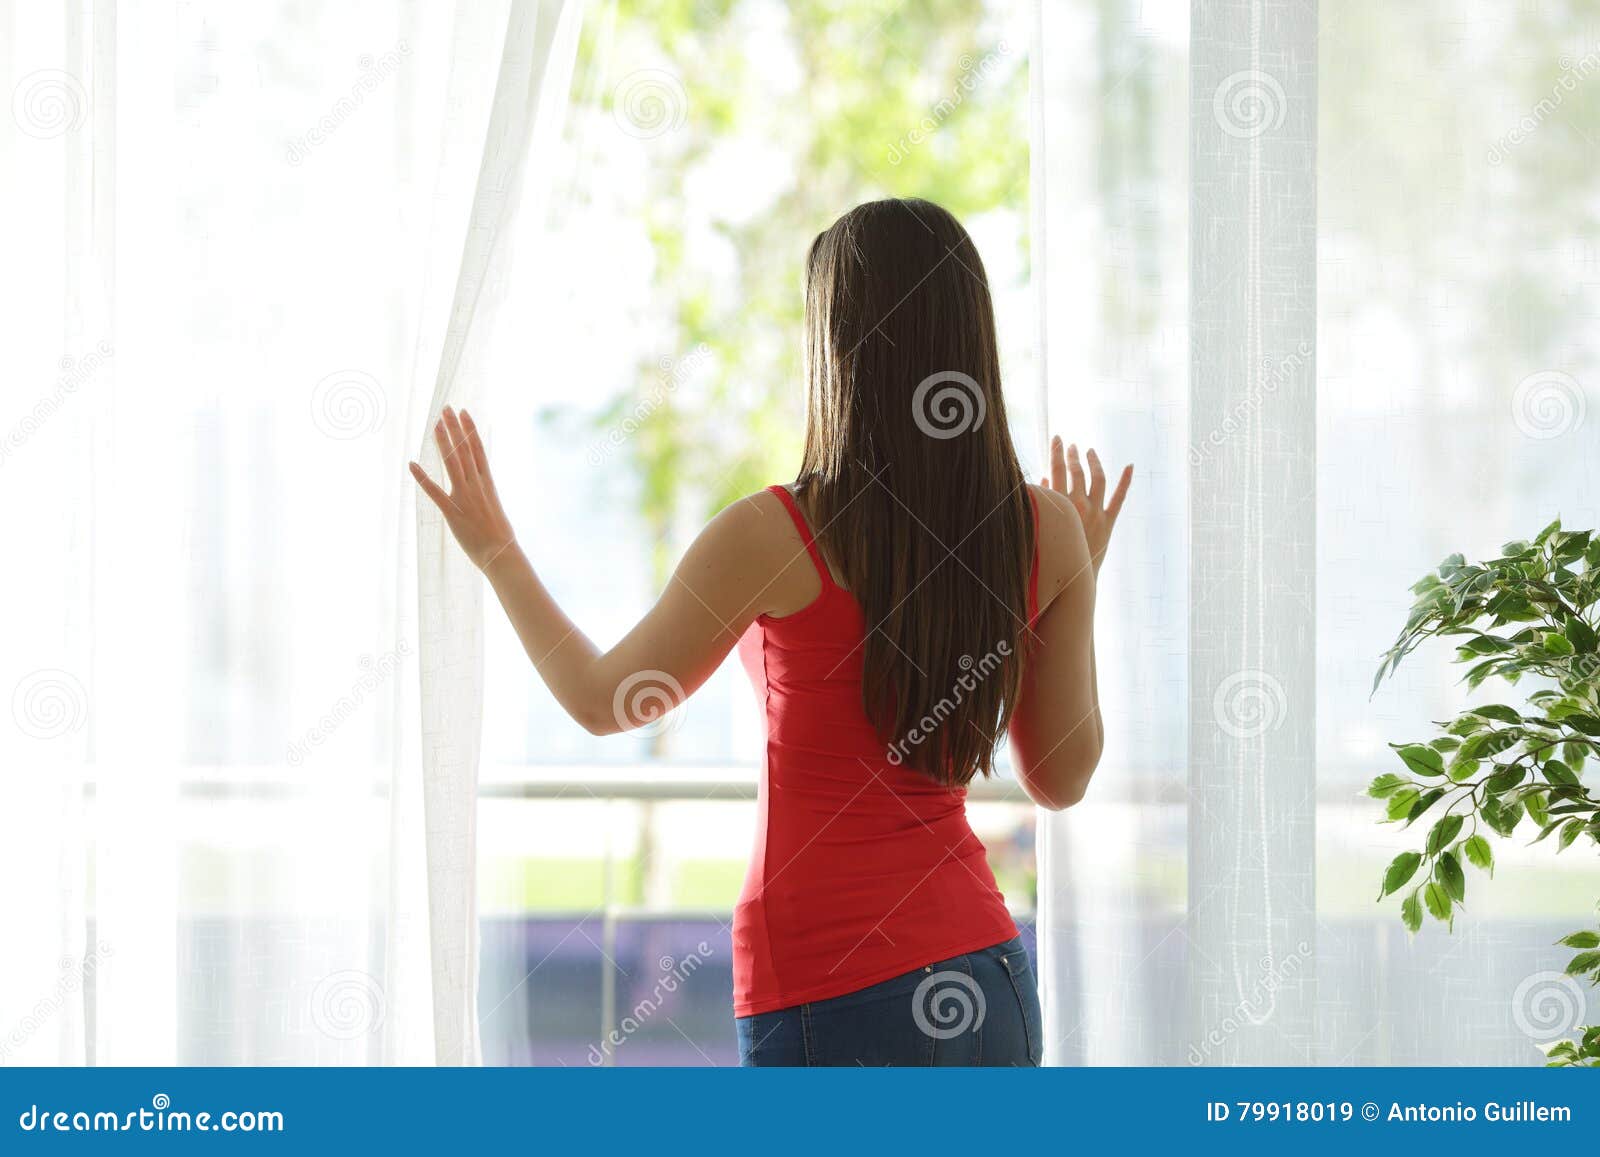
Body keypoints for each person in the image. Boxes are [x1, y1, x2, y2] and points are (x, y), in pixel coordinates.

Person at [410, 197, 1131, 1066]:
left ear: (840, 350)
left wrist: (497, 553)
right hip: (987, 977)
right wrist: (1073, 580)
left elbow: (606, 701)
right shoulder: (1046, 530)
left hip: (833, 991)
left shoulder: (772, 534)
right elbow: (1060, 776)